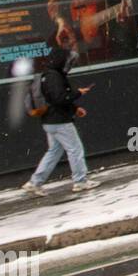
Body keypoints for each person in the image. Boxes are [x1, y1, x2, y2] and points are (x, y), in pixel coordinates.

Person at [21, 46, 101, 195]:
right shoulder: (55, 77)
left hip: (49, 121)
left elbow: (54, 99)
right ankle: (80, 181)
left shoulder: (46, 75)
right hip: (60, 121)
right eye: (68, 61)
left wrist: (75, 108)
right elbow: (60, 98)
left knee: (54, 151)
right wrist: (78, 93)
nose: (69, 64)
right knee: (75, 149)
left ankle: (35, 182)